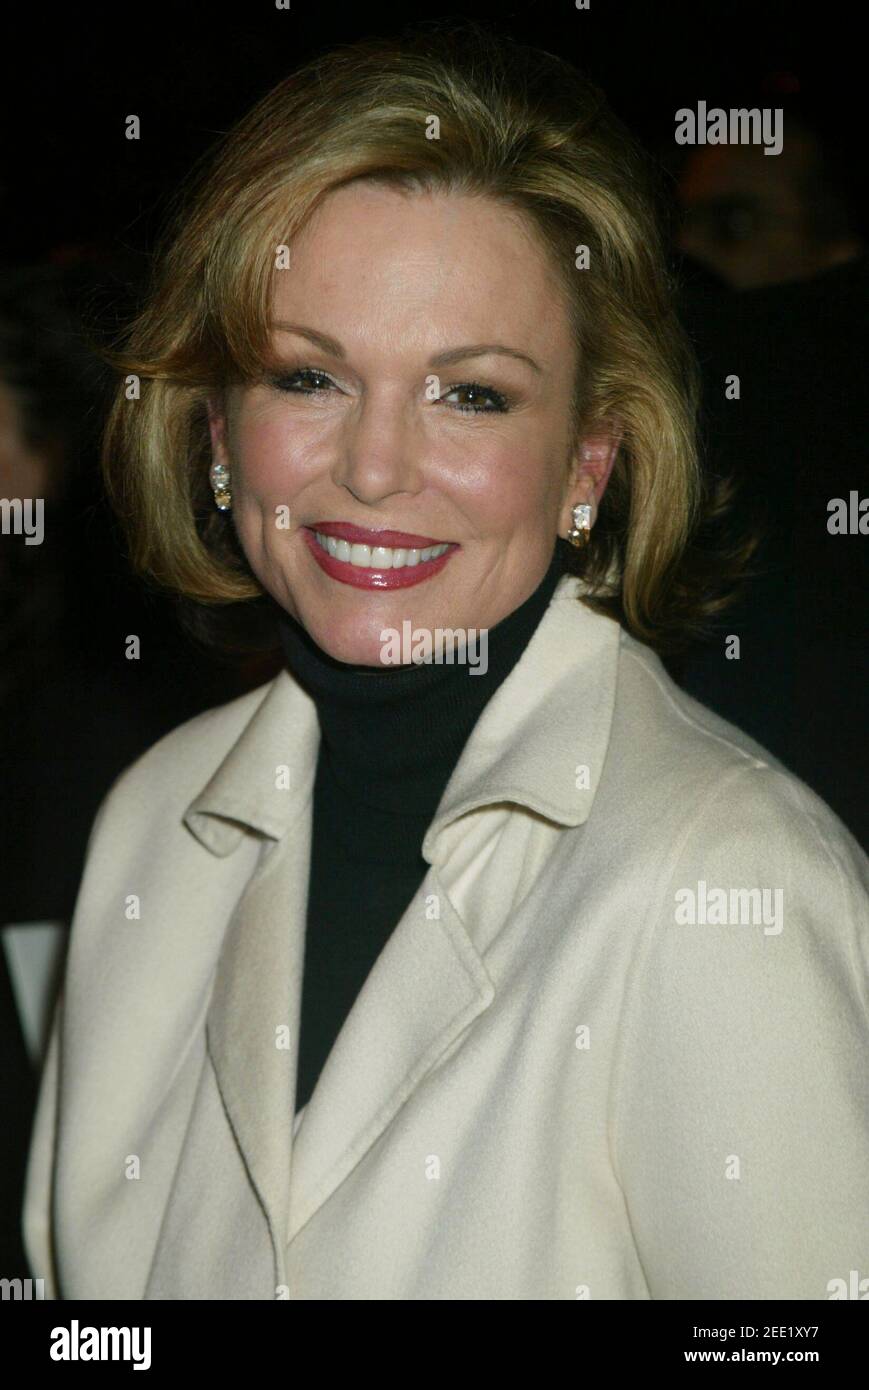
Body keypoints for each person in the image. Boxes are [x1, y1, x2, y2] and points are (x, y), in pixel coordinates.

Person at [22, 21, 869, 1300]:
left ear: (587, 462)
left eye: (468, 393)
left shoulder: (722, 879)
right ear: (215, 432)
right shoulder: (155, 825)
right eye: (308, 375)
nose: (372, 469)